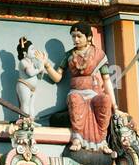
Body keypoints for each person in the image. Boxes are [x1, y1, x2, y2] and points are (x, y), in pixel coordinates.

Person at [41, 22, 116, 154]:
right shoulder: (69, 56)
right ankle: (77, 138)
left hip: (94, 94)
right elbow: (57, 78)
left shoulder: (99, 55)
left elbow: (107, 80)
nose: (75, 40)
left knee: (105, 100)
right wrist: (46, 65)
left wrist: (115, 106)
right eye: (73, 36)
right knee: (74, 99)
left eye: (79, 36)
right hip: (77, 92)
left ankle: (102, 141)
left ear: (88, 37)